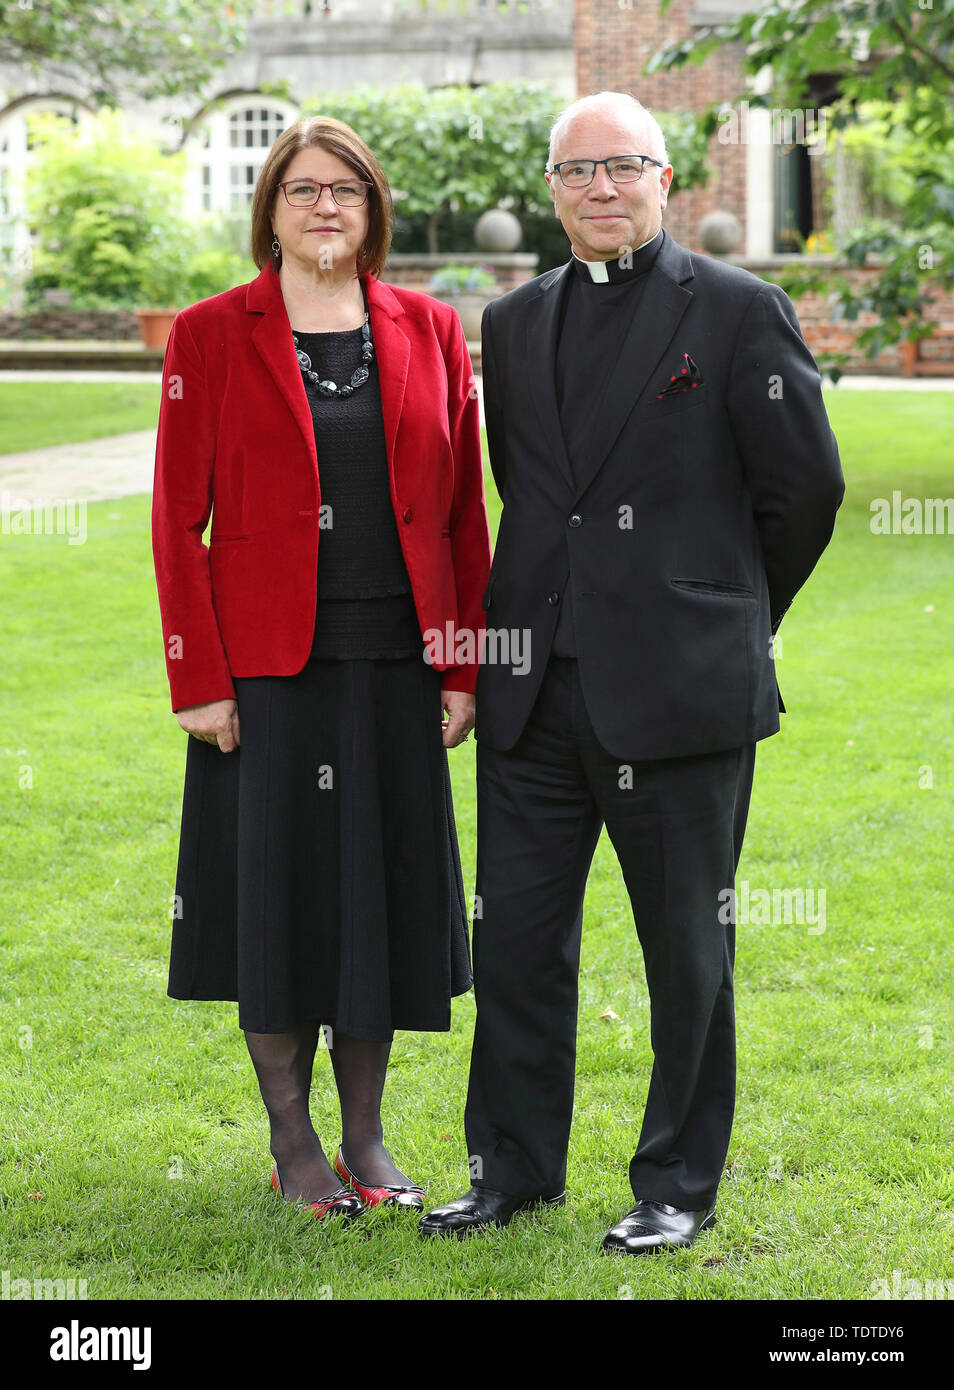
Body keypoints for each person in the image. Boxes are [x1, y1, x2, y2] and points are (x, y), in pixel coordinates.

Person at [420, 91, 845, 1253]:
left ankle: (675, 1183)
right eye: (575, 172)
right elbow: (528, 496)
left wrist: (730, 615)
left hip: (678, 691)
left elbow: (805, 490)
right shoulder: (511, 325)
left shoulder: (743, 312)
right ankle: (510, 1168)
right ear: (550, 188)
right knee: (514, 944)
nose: (599, 190)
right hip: (532, 693)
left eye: (623, 168)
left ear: (668, 179)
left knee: (687, 954)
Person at [152, 116, 491, 1221]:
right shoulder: (210, 336)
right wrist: (198, 677)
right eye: (303, 190)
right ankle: (293, 1141)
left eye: (346, 189)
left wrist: (461, 663)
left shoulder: (431, 329)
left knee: (377, 902)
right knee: (280, 903)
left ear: (373, 206)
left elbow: (457, 513)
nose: (326, 207)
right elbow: (175, 522)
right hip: (266, 679)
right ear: (272, 210)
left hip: (394, 667)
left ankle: (367, 1134)